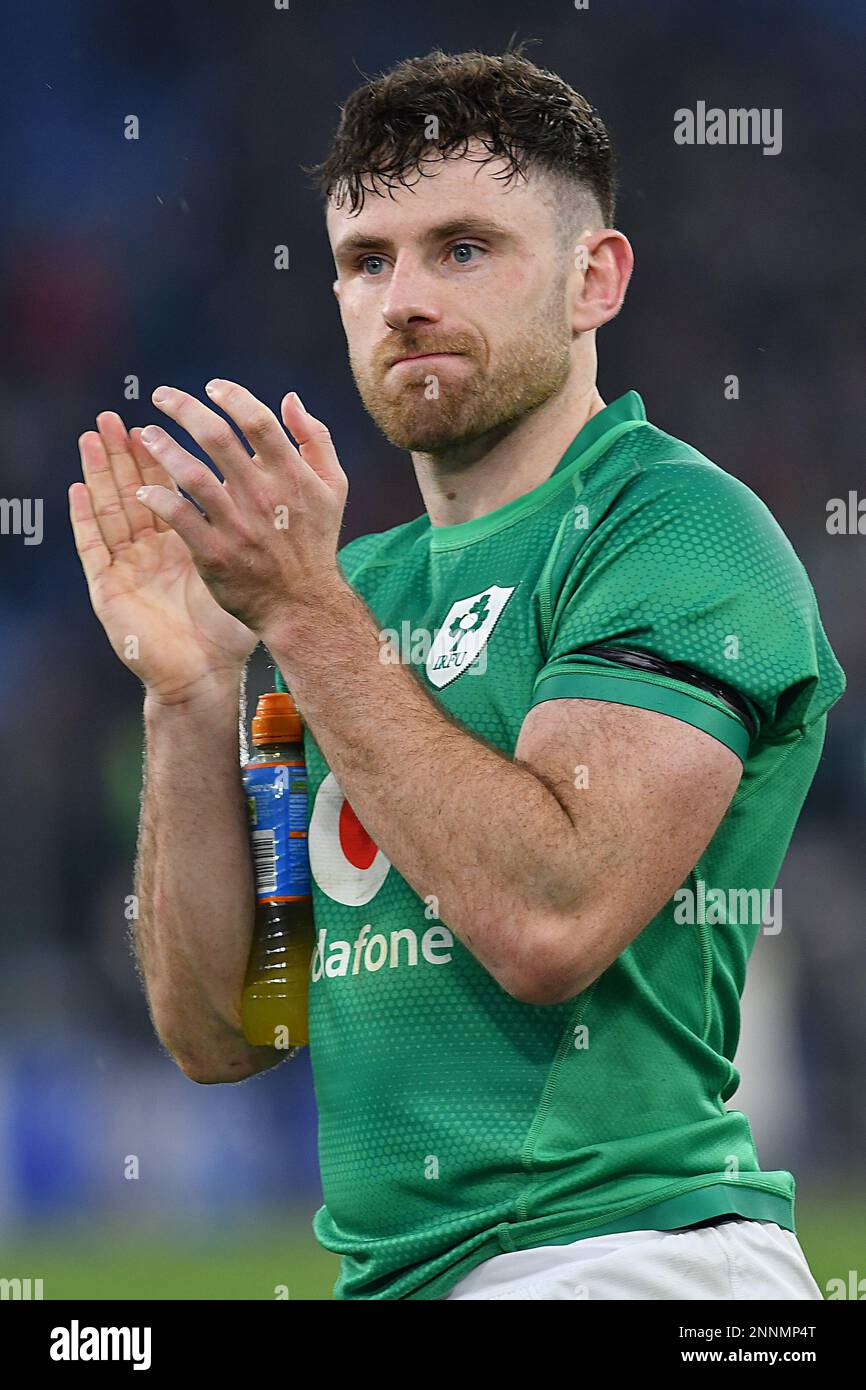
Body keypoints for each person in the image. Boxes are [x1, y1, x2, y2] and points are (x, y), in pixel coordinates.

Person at [69, 49, 845, 1300]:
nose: (405, 299)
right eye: (367, 260)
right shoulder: (346, 589)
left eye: (463, 249)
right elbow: (231, 1027)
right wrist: (192, 691)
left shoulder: (677, 529)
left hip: (621, 1255)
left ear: (595, 278)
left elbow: (548, 921)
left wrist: (302, 615)